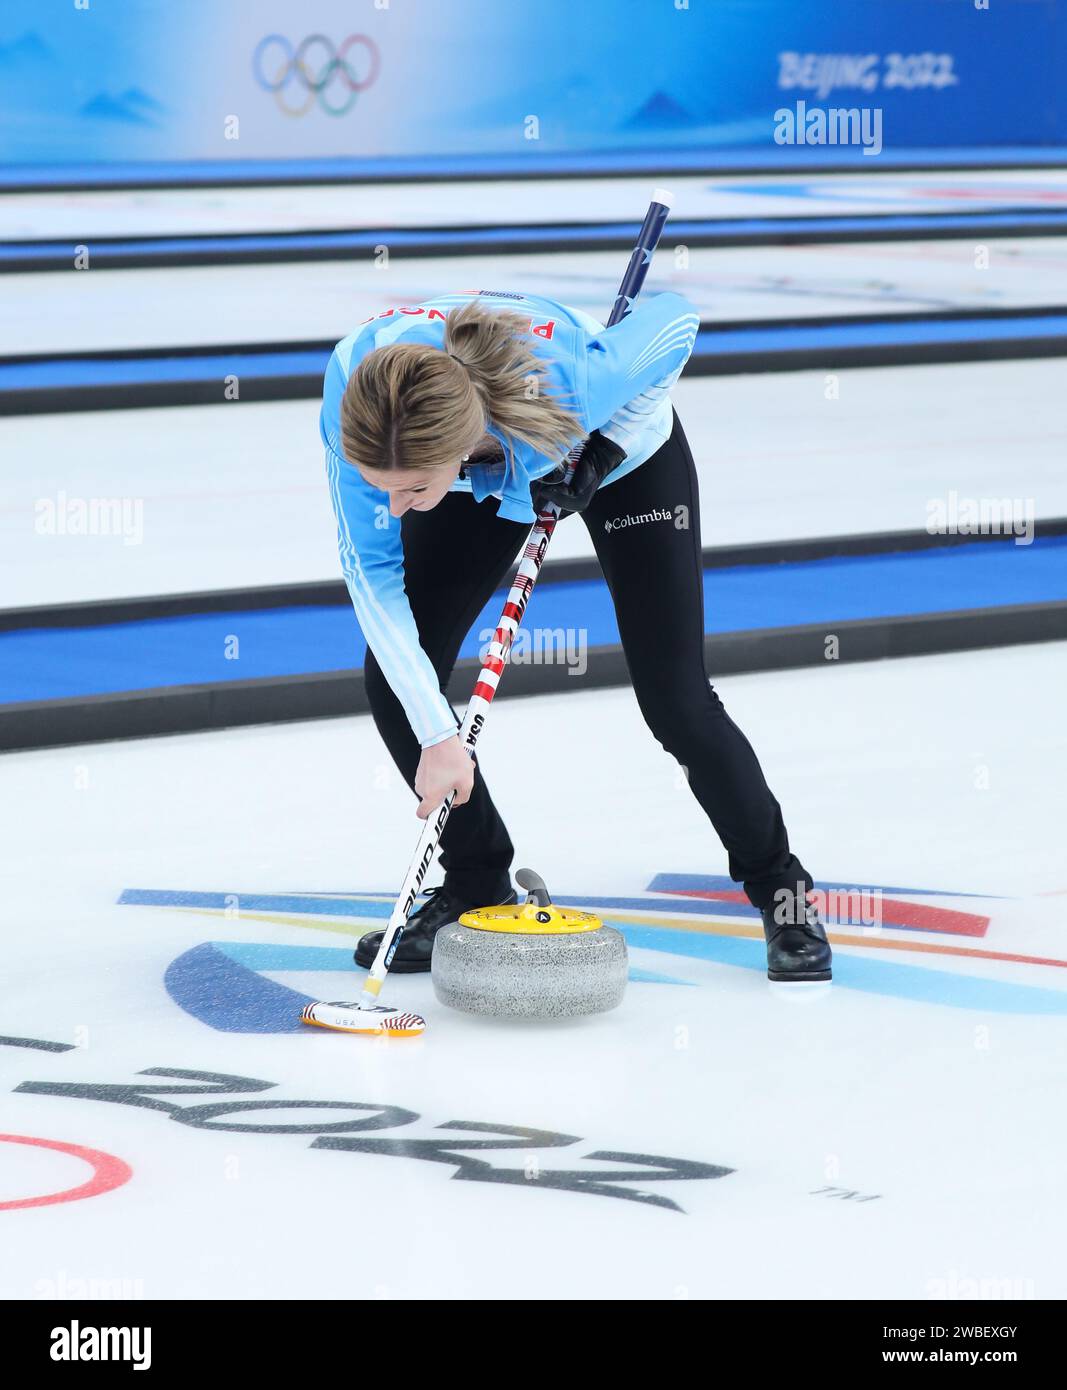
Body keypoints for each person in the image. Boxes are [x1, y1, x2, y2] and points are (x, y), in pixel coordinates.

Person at [320, 289, 831, 983]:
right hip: (480, 467)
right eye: (381, 487)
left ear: (454, 447)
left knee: (674, 699)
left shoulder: (576, 377)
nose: (392, 507)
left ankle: (782, 890)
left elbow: (676, 319)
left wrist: (608, 441)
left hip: (619, 459)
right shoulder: (356, 401)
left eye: (408, 490)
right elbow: (371, 578)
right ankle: (475, 881)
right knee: (399, 684)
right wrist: (438, 739)